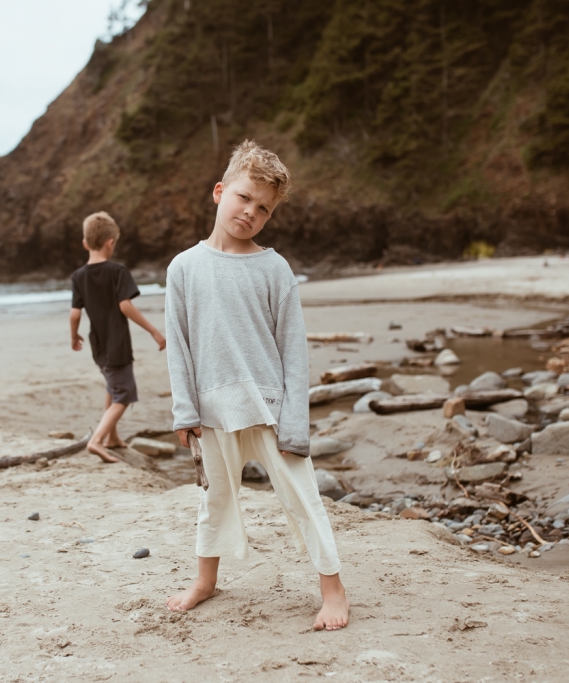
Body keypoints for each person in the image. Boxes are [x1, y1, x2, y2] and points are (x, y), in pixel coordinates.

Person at [163, 140, 349, 631]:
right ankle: (205, 582)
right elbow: (178, 347)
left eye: (263, 208)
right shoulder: (183, 268)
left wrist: (296, 423)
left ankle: (333, 590)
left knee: (302, 499)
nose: (250, 211)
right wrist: (185, 412)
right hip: (211, 411)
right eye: (244, 197)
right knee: (214, 501)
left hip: (269, 408)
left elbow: (293, 351)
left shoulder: (274, 268)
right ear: (220, 191)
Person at [70, 211, 166, 463]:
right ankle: (97, 440)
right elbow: (125, 306)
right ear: (111, 242)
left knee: (112, 388)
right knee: (124, 395)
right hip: (117, 344)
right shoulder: (118, 271)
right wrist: (154, 331)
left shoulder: (78, 276)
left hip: (98, 345)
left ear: (85, 243)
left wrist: (73, 337)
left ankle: (112, 437)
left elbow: (74, 314)